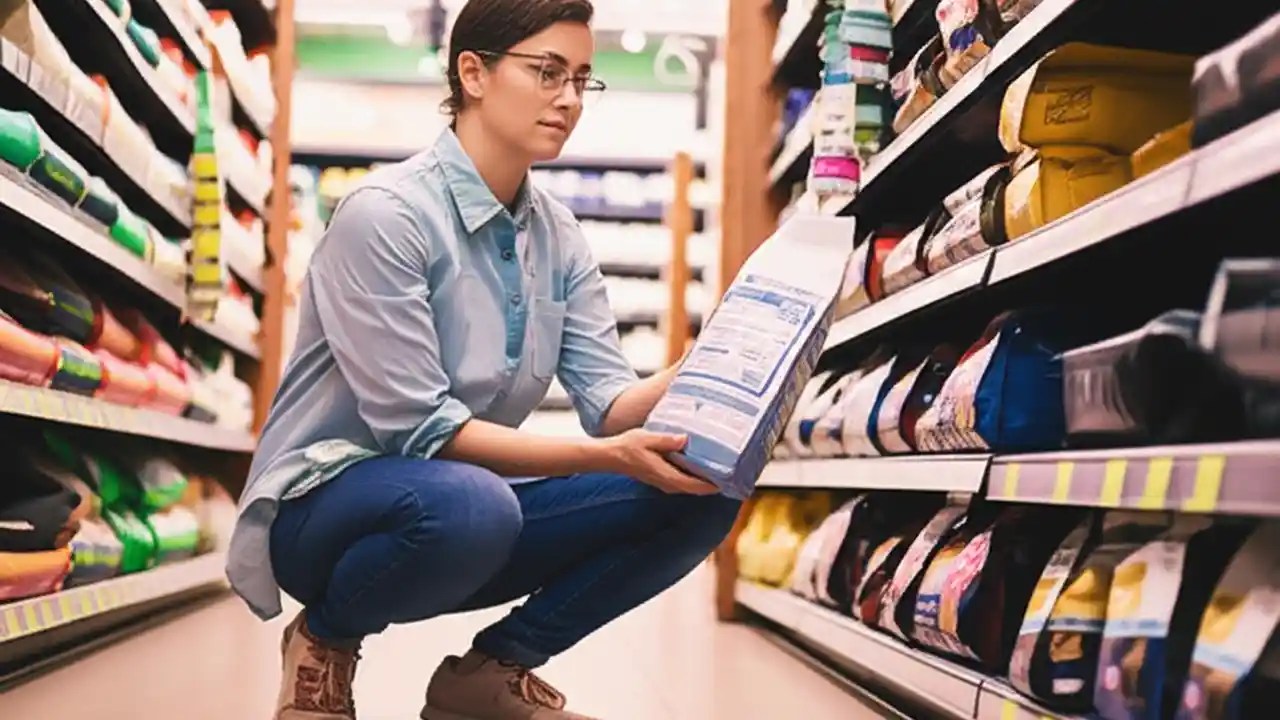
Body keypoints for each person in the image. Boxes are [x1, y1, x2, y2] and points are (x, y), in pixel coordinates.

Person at [225, 1, 741, 718]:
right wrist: (609, 460)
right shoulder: (386, 215)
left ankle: (491, 672)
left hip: (464, 511)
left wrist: (705, 367)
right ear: (473, 72)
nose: (568, 99)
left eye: (582, 79)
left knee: (706, 490)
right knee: (475, 504)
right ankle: (325, 637)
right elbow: (421, 433)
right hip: (326, 516)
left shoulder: (559, 238)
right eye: (547, 72)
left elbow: (608, 402)